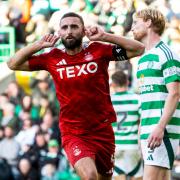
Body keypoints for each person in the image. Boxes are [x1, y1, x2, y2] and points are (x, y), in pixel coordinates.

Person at [7, 12, 144, 180]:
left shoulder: (99, 50)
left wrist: (105, 36)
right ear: (59, 32)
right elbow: (13, 63)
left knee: (105, 177)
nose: (69, 31)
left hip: (103, 130)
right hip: (74, 132)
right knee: (90, 176)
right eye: (64, 27)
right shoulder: (52, 57)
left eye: (74, 26)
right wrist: (38, 45)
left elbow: (139, 48)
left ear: (83, 30)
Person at [131, 8, 180, 180]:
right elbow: (147, 100)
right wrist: (141, 130)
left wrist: (160, 127)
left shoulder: (166, 53)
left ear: (149, 22)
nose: (132, 28)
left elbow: (175, 94)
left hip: (161, 130)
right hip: (148, 131)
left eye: (135, 22)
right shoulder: (143, 59)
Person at [111, 70, 143, 180]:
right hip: (133, 147)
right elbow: (143, 122)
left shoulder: (109, 101)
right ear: (127, 82)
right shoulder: (137, 99)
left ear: (113, 84)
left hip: (116, 147)